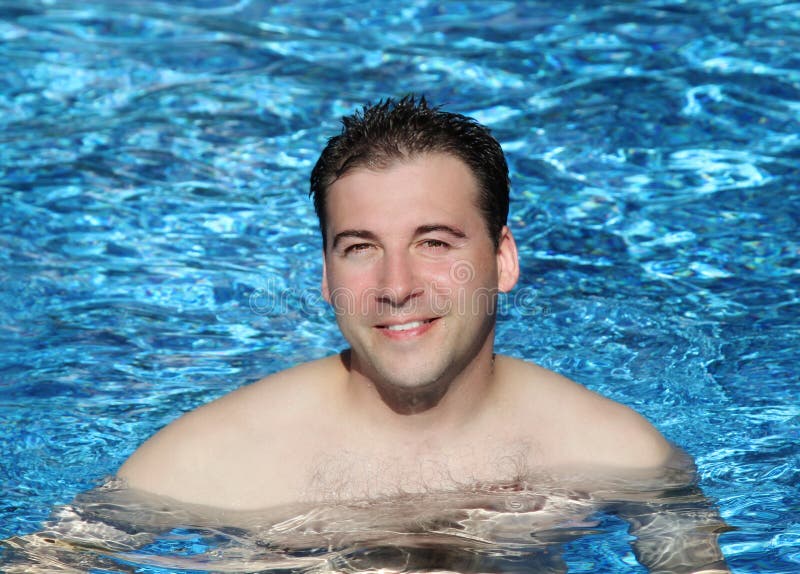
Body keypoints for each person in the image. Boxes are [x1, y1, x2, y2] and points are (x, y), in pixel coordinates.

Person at [118, 95, 676, 510]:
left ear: (503, 259)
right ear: (326, 277)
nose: (396, 286)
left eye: (434, 243)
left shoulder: (618, 457)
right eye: (360, 248)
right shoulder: (202, 466)